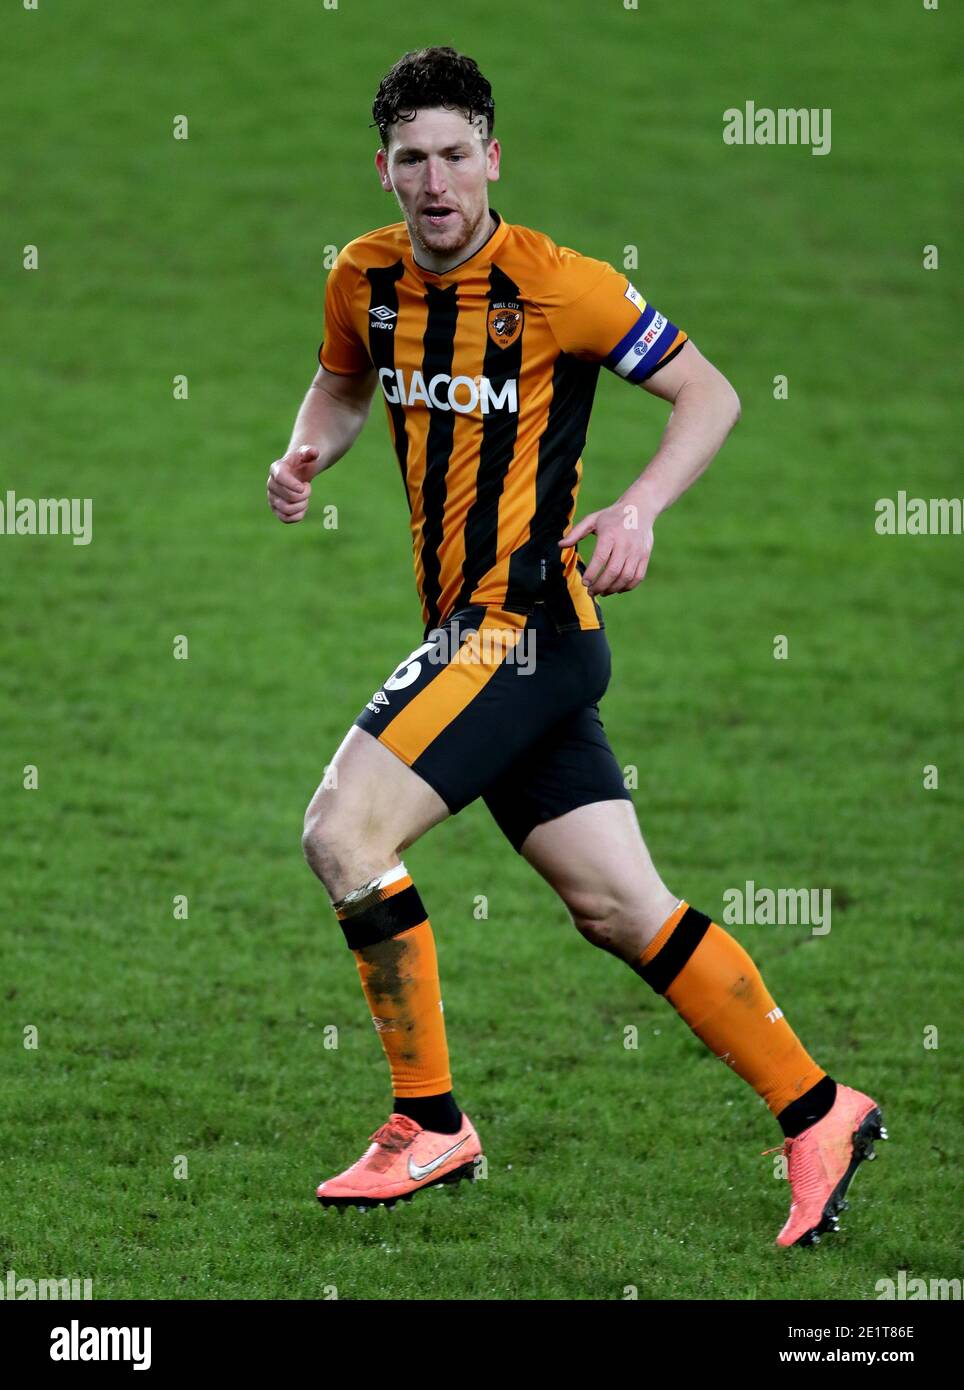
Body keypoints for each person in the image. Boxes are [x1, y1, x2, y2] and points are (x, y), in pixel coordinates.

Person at [266, 46, 885, 1247]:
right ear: (383, 170)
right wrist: (307, 451)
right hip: (479, 636)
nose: (436, 183)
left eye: (456, 156)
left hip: (522, 631)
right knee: (618, 905)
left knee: (342, 831)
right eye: (412, 161)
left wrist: (642, 503)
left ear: (492, 158)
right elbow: (342, 383)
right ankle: (819, 1110)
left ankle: (428, 1121)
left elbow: (712, 392)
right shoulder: (364, 276)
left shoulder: (563, 287)